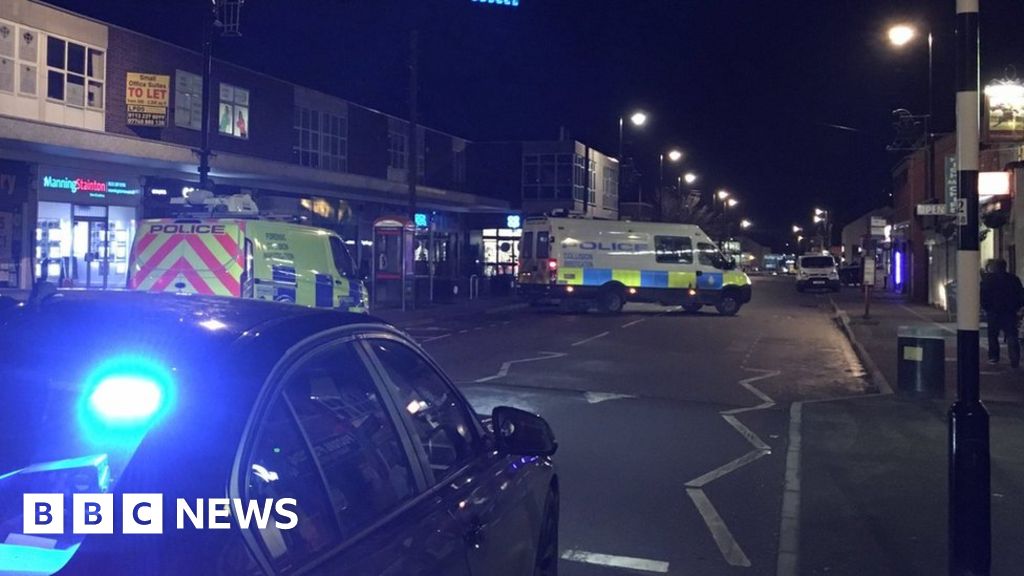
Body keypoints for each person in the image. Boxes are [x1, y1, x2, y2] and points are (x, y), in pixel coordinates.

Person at [980, 258, 1024, 368]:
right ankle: (1014, 359)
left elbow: (983, 295)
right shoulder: (1013, 279)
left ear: (994, 267)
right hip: (1010, 311)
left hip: (994, 311)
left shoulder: (989, 280)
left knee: (993, 335)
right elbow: (1020, 294)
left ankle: (994, 357)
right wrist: (1017, 307)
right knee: (1011, 335)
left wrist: (986, 307)